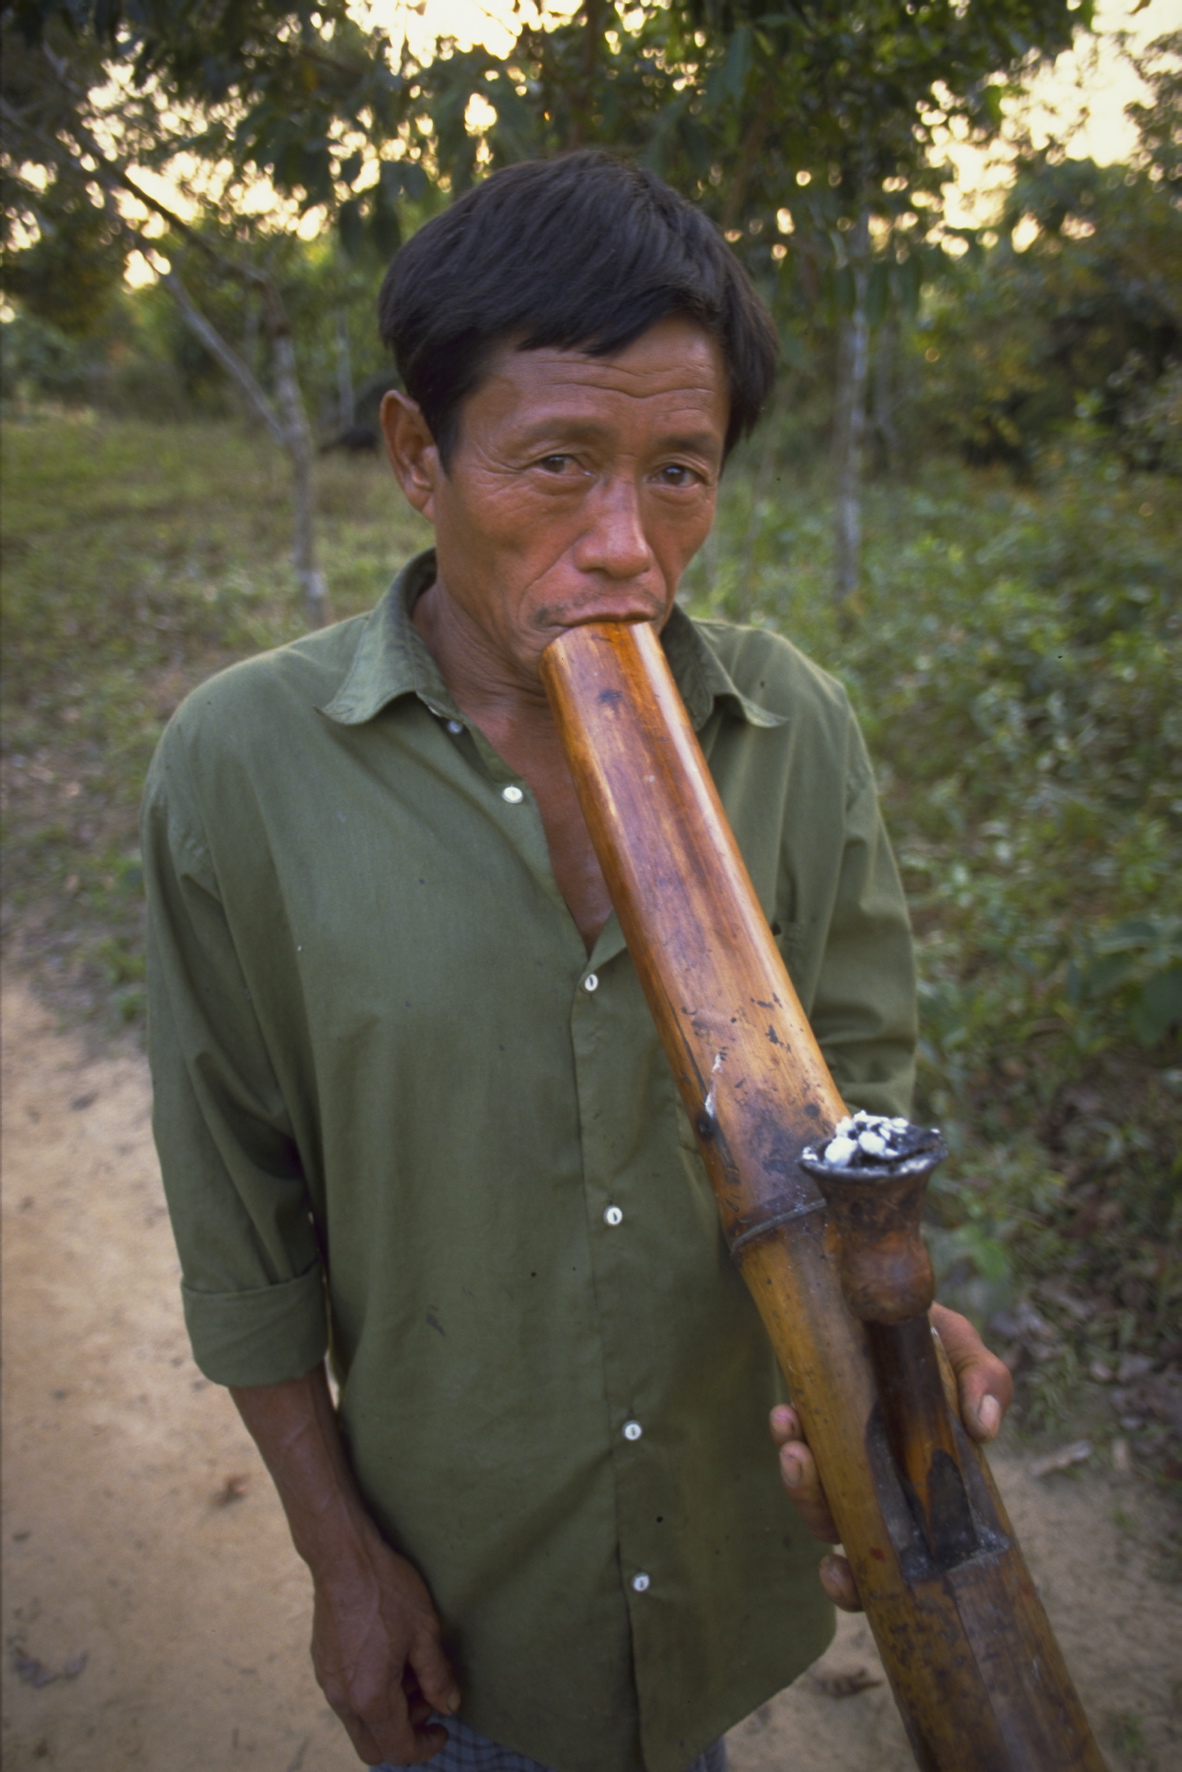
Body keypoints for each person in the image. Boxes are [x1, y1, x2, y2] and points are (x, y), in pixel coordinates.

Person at [142, 151, 1011, 1772]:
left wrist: (900, 1337)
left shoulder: (787, 728)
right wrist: (341, 1557)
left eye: (678, 471)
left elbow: (855, 1105)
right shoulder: (239, 764)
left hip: (713, 1541)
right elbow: (235, 1198)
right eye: (557, 462)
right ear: (419, 452)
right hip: (465, 1587)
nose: (622, 543)